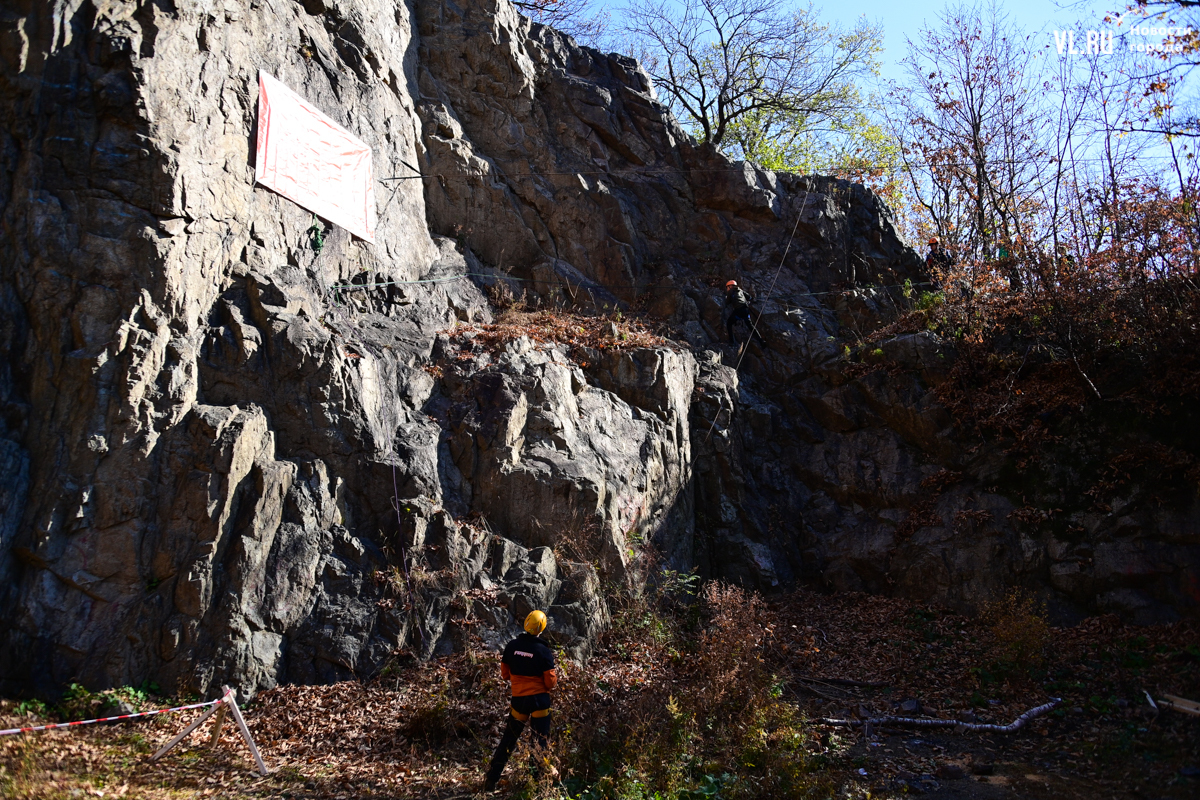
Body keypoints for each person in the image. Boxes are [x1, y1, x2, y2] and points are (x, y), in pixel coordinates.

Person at [484, 610, 558, 792]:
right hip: (539, 701)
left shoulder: (512, 646)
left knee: (509, 740)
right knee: (539, 742)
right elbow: (550, 682)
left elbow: (504, 674)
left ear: (526, 624)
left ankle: (491, 780)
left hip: (519, 701)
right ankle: (536, 785)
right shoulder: (543, 650)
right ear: (542, 628)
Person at [724, 280, 765, 346]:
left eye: (727, 287)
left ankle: (732, 342)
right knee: (751, 326)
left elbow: (727, 302)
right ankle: (761, 341)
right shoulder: (740, 290)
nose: (727, 289)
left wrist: (726, 298)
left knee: (729, 323)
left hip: (738, 311)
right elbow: (749, 297)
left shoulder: (730, 291)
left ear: (730, 286)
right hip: (746, 310)